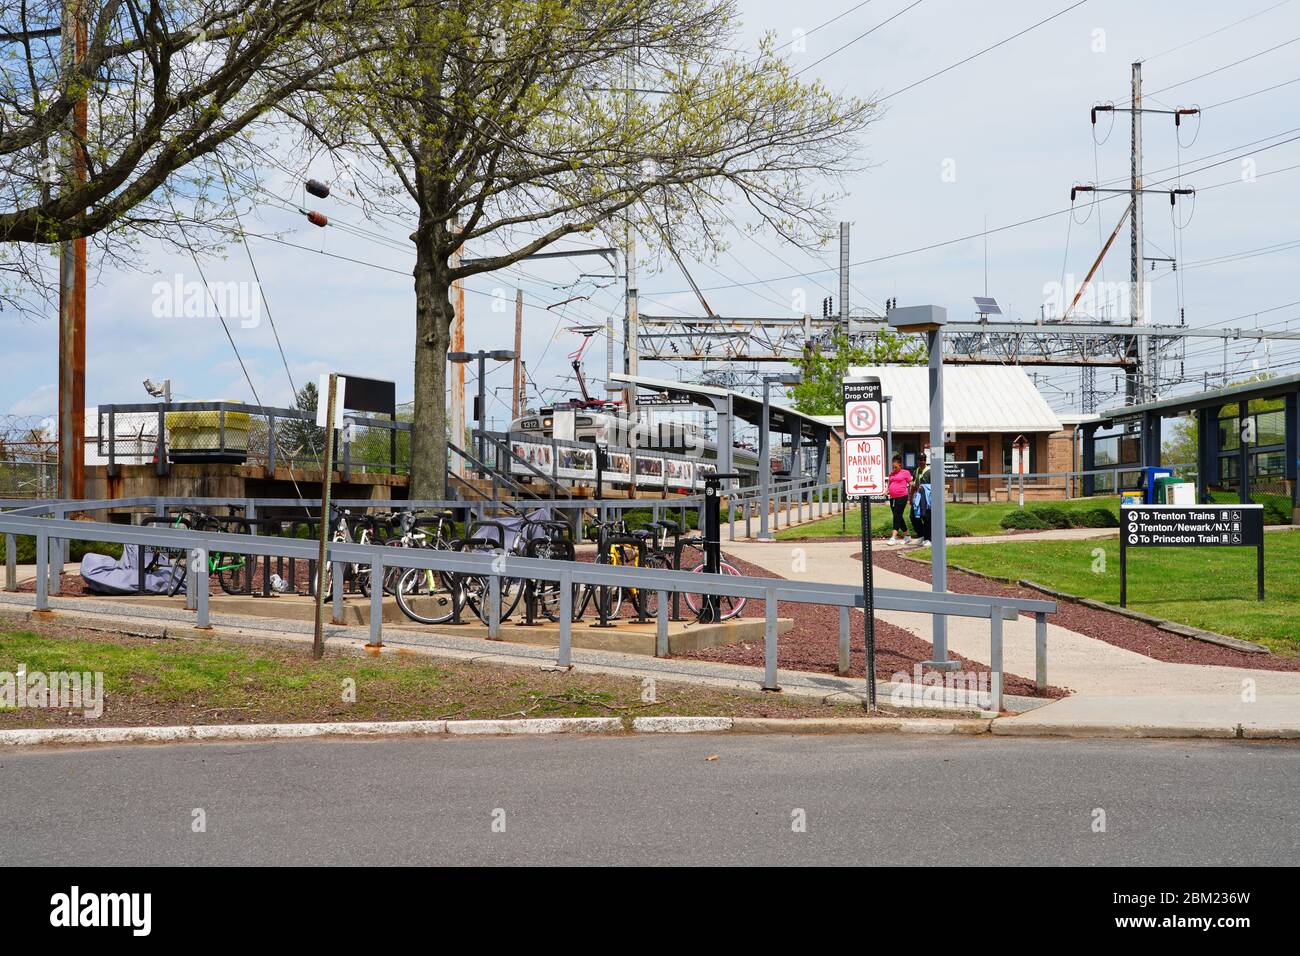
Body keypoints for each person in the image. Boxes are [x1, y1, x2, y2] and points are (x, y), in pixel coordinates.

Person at [886, 454, 912, 544]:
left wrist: (915, 490)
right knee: (898, 516)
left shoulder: (905, 473)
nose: (894, 469)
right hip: (893, 498)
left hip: (902, 497)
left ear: (900, 465)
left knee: (897, 516)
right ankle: (907, 536)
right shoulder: (891, 474)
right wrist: (886, 491)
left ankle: (893, 537)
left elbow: (911, 483)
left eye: (895, 467)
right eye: (893, 467)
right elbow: (889, 484)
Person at [910, 456, 933, 545]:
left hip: (927, 497)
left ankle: (928, 539)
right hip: (918, 497)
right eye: (920, 459)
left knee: (926, 517)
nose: (922, 461)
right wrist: (911, 498)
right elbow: (914, 485)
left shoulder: (930, 471)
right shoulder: (916, 471)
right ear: (918, 460)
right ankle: (921, 535)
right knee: (913, 516)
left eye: (924, 460)